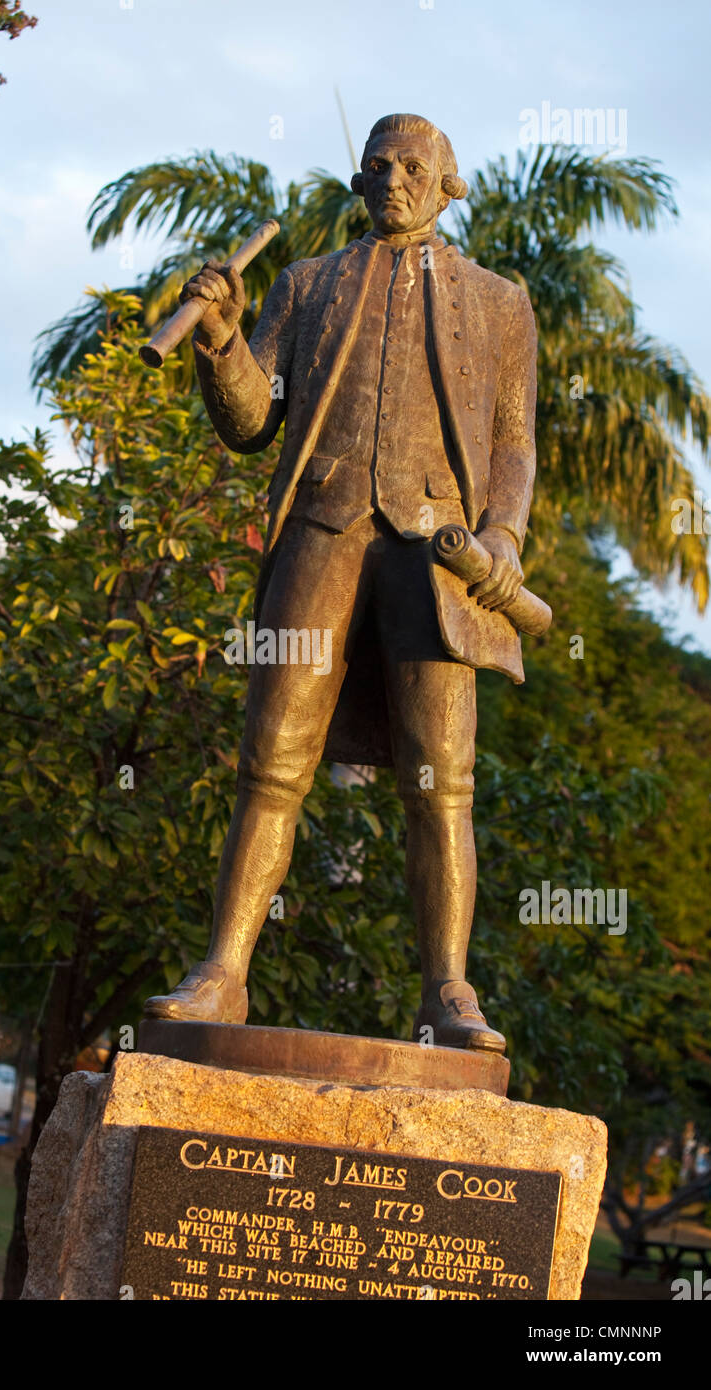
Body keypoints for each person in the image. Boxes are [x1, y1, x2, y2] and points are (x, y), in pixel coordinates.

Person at [144, 114, 538, 1053]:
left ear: (448, 184)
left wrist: (505, 535)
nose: (394, 179)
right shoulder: (306, 284)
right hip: (321, 533)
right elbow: (251, 421)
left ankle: (449, 991)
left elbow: (514, 445)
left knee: (443, 781)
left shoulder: (498, 302)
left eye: (413, 166)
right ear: (358, 185)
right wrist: (225, 345)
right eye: (378, 167)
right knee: (270, 762)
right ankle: (223, 973)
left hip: (438, 553)